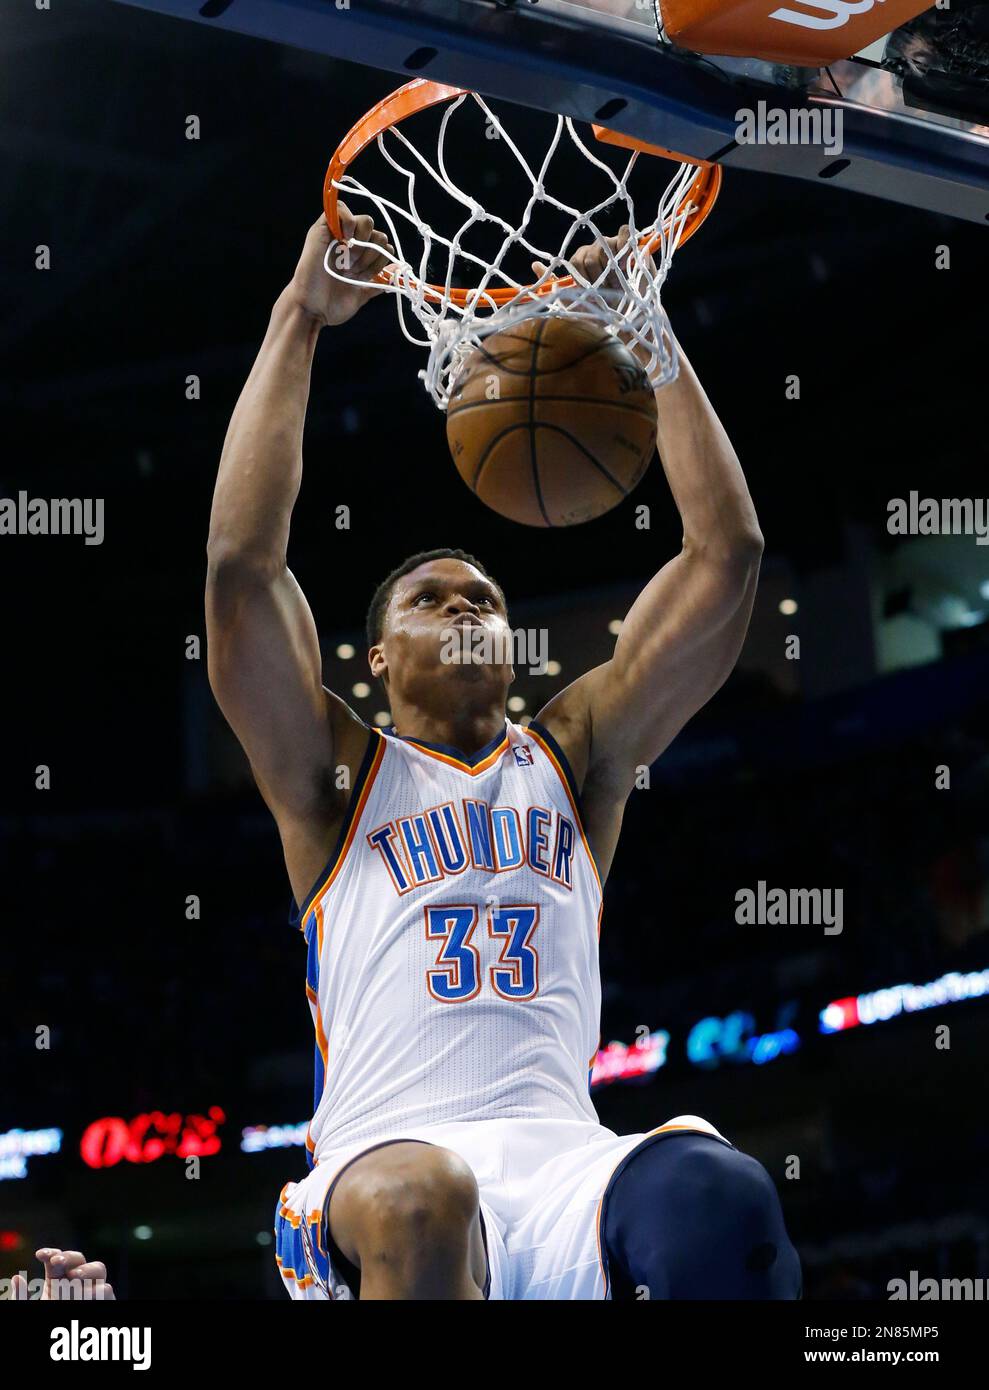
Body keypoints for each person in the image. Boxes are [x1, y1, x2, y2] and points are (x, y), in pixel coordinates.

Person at [205, 206, 800, 1300]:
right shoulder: (333, 777)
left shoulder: (574, 751)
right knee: (427, 1199)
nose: (465, 606)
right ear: (377, 657)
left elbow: (727, 557)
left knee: (719, 1200)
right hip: (379, 1169)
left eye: (481, 595)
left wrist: (643, 323)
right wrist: (299, 319)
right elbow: (242, 574)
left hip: (563, 1160)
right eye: (430, 599)